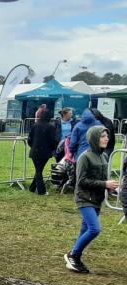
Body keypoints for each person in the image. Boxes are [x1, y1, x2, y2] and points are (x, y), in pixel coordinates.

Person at [64, 126, 119, 273]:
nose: (106, 138)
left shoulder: (104, 156)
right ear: (94, 138)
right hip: (84, 198)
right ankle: (72, 255)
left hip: (97, 199)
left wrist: (110, 186)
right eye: (102, 136)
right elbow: (81, 181)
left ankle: (76, 258)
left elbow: (101, 178)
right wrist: (104, 184)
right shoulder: (85, 157)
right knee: (94, 229)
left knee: (85, 230)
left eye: (107, 136)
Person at [27, 109, 59, 196]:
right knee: (39, 170)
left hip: (34, 151)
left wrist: (33, 146)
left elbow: (29, 139)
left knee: (38, 170)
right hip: (45, 153)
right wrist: (52, 149)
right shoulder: (51, 127)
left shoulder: (35, 125)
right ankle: (41, 191)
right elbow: (53, 140)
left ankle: (32, 188)